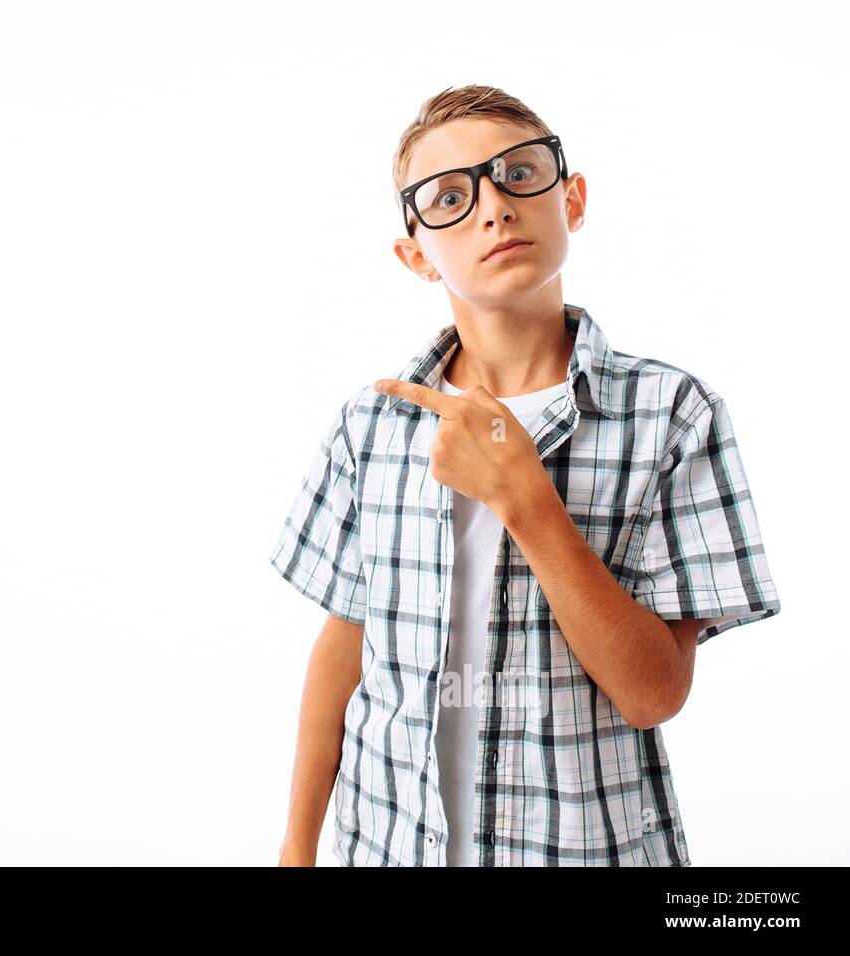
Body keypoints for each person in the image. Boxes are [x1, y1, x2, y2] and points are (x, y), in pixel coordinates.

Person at [267, 84, 782, 867]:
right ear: (415, 255)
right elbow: (343, 647)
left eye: (517, 174)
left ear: (570, 200)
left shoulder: (672, 415)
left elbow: (654, 694)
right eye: (448, 197)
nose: (493, 208)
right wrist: (296, 848)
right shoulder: (368, 427)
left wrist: (526, 499)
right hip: (386, 847)